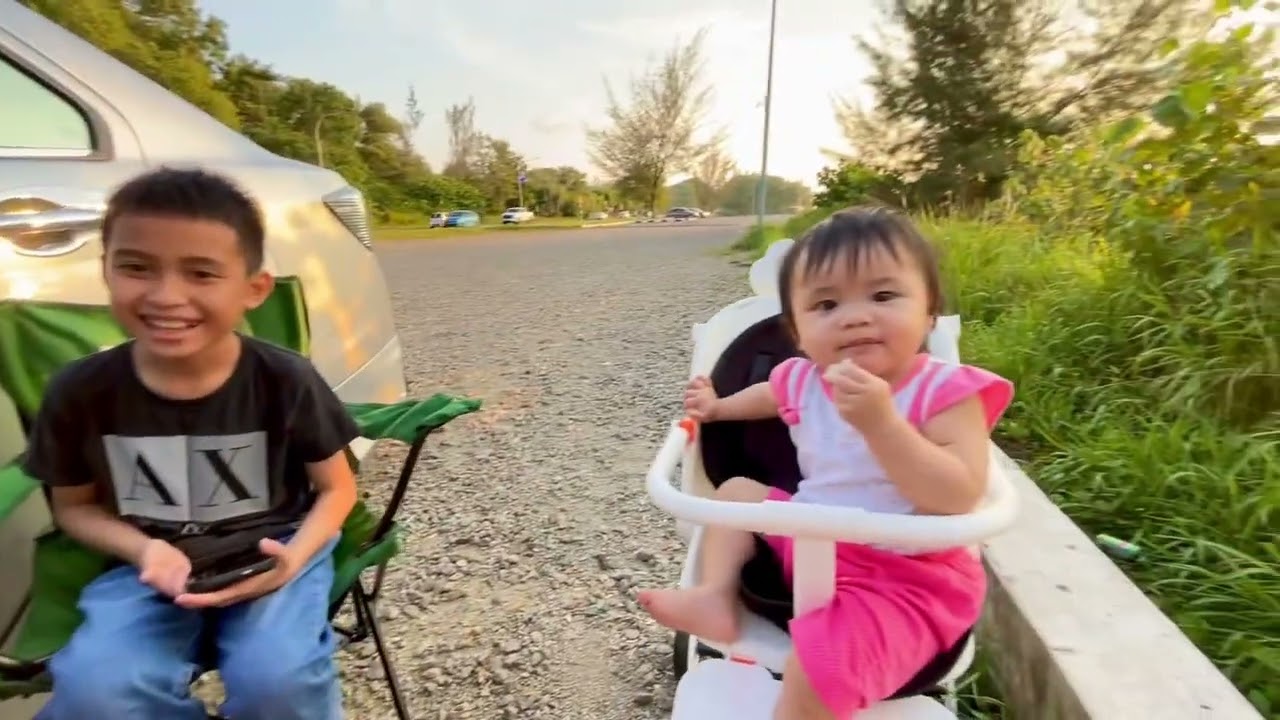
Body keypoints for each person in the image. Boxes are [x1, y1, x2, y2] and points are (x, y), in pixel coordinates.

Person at [636, 206, 1014, 720]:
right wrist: (719, 407)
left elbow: (958, 494)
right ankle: (716, 596)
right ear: (797, 330)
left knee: (819, 667)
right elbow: (768, 394)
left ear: (928, 313)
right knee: (736, 494)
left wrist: (883, 425)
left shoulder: (946, 392)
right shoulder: (805, 378)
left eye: (883, 296)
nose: (855, 315)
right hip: (812, 539)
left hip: (906, 573)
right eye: (827, 304)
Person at [22, 167, 359, 720]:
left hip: (271, 558)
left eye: (201, 273)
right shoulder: (79, 391)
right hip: (145, 568)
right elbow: (74, 508)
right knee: (94, 689)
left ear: (253, 289)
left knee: (279, 682)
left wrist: (295, 558)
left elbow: (338, 489)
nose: (165, 295)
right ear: (105, 271)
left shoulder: (284, 379)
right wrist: (144, 549)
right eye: (136, 268)